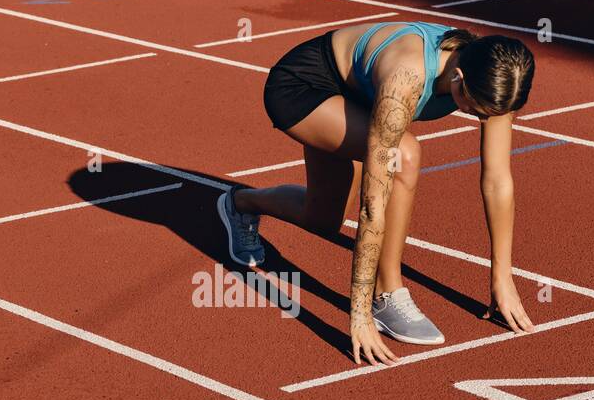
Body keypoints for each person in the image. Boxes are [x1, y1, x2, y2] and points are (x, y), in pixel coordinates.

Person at [218, 20, 537, 364]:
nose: (480, 118)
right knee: (406, 156)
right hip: (305, 87)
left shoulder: (498, 81)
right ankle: (386, 295)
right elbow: (373, 204)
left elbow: (497, 180)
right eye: (473, 109)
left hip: (361, 99)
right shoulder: (407, 75)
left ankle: (241, 203)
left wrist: (502, 278)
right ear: (458, 77)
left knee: (323, 219)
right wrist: (359, 313)